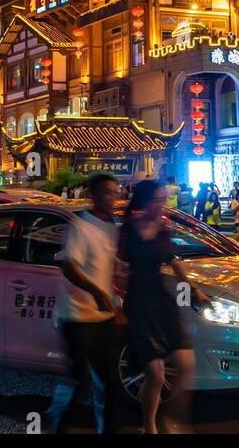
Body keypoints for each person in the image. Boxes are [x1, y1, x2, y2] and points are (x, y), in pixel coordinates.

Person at [118, 180, 205, 433]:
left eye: (163, 200)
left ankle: (173, 416)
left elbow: (175, 262)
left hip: (160, 297)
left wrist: (193, 289)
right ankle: (150, 425)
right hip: (138, 299)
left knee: (185, 361)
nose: (161, 205)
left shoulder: (163, 229)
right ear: (145, 202)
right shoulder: (127, 230)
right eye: (157, 200)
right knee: (155, 372)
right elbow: (117, 264)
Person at [46, 173, 122, 434]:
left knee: (110, 384)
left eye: (115, 191)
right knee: (80, 382)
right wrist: (96, 292)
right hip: (77, 317)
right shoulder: (80, 226)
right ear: (94, 195)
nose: (113, 197)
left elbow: (111, 267)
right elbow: (69, 266)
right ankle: (56, 424)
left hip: (103, 317)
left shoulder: (111, 227)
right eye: (107, 192)